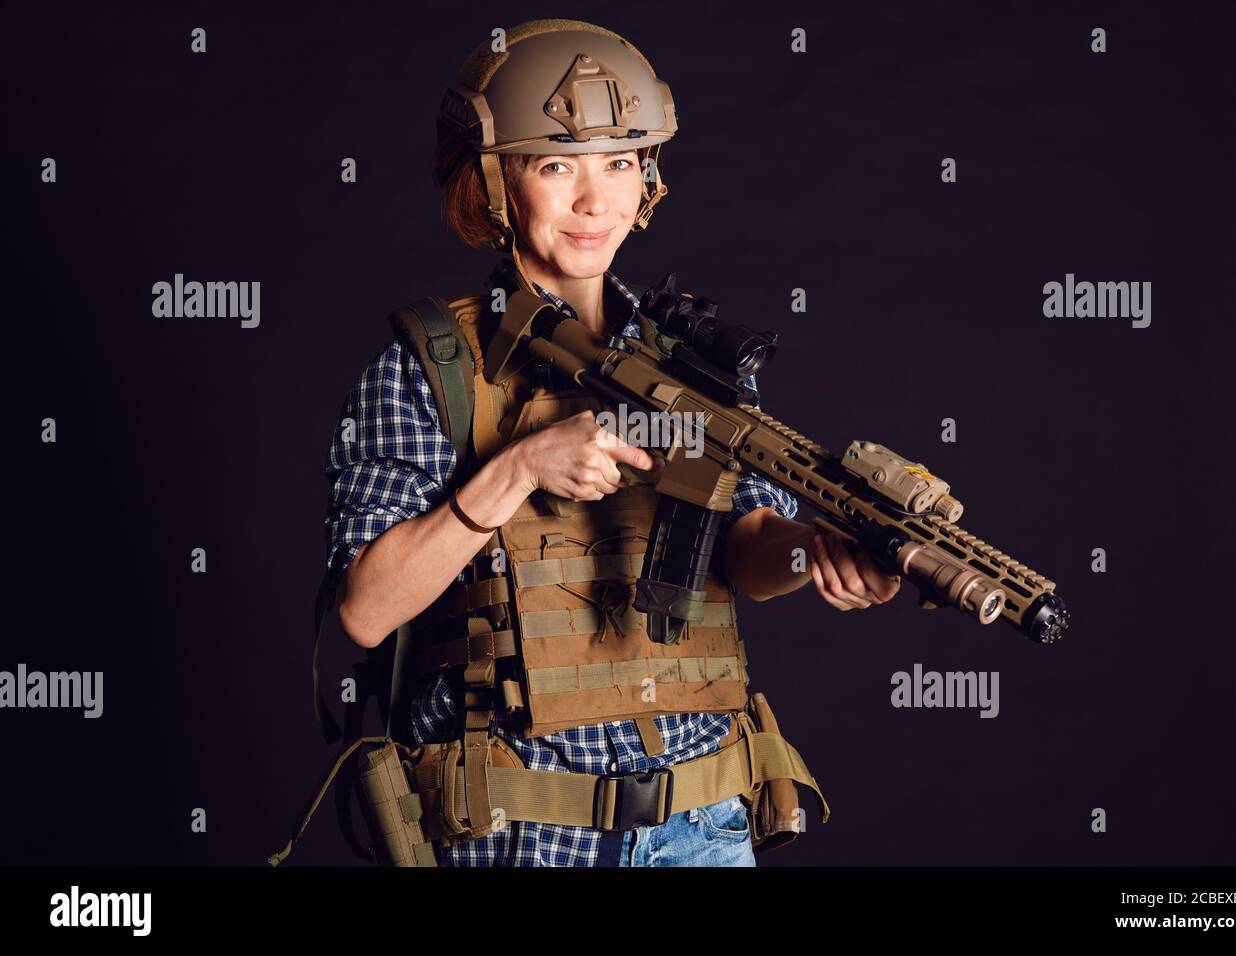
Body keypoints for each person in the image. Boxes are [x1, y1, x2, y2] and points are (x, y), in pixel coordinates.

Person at [323, 19, 900, 867]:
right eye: (557, 165)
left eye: (621, 162)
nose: (598, 201)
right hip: (525, 829)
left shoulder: (694, 364)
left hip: (703, 823)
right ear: (493, 184)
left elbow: (745, 548)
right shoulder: (432, 368)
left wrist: (817, 555)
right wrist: (519, 466)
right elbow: (365, 613)